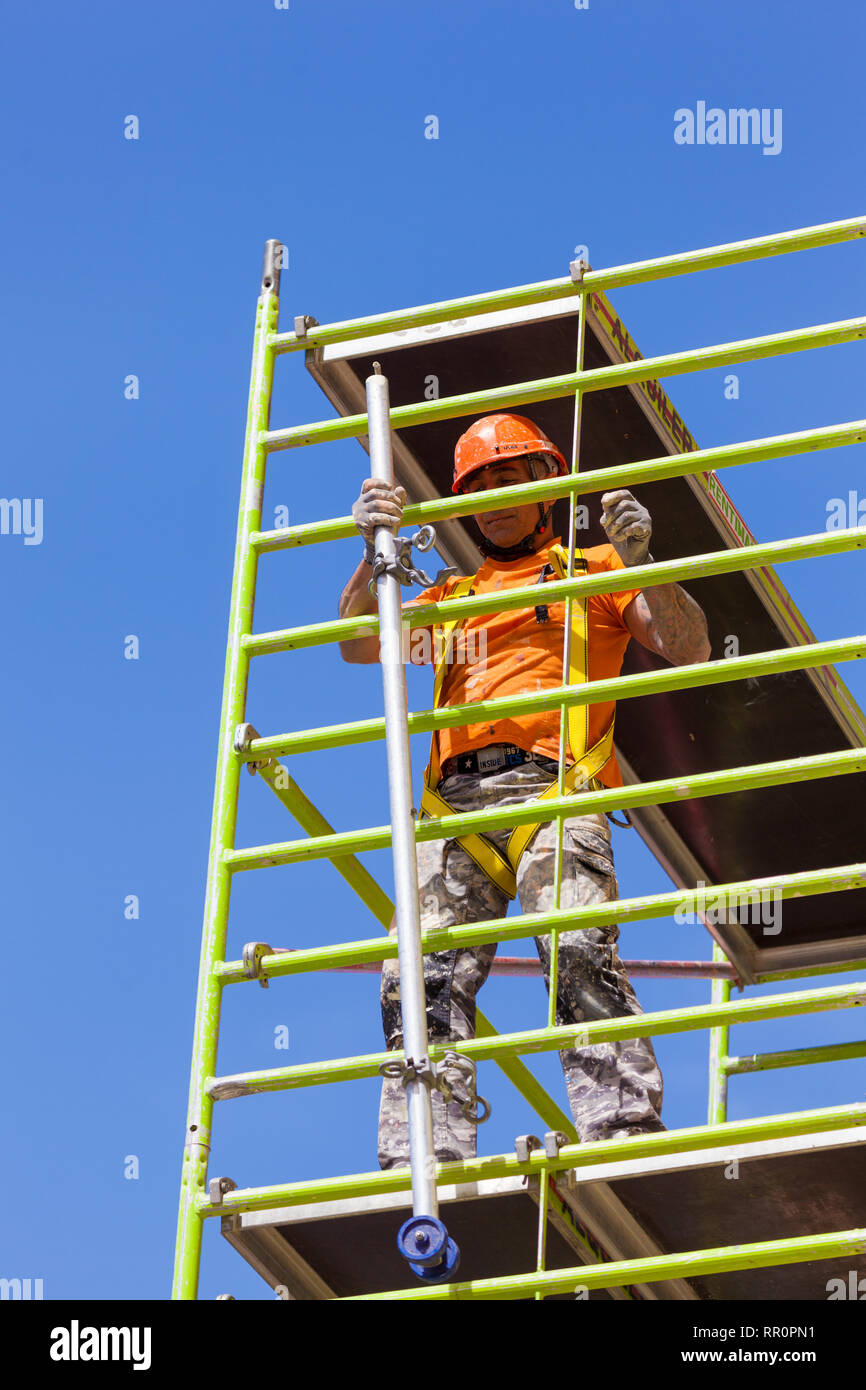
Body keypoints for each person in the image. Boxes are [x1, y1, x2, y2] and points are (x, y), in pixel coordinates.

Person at [338, 412, 711, 1169]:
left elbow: (687, 643)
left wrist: (644, 559)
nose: (493, 499)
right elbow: (358, 642)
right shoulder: (453, 598)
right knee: (415, 982)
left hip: (555, 794)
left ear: (546, 486)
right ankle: (423, 1156)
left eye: (508, 480)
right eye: (477, 488)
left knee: (576, 952)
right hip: (455, 809)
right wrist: (367, 552)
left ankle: (623, 1135)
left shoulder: (592, 570)